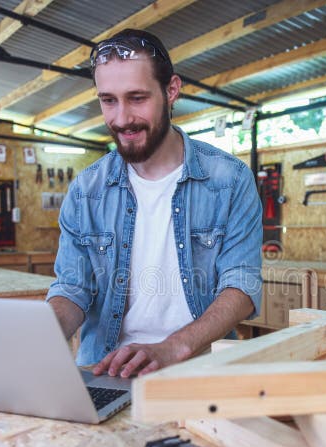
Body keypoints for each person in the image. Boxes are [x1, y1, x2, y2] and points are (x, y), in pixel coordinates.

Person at [46, 29, 262, 379]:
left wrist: (174, 347)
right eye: (108, 100)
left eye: (137, 98)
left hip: (199, 369)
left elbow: (242, 286)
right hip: (106, 370)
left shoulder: (230, 180)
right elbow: (73, 288)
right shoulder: (86, 191)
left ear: (171, 90)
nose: (121, 119)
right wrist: (43, 332)